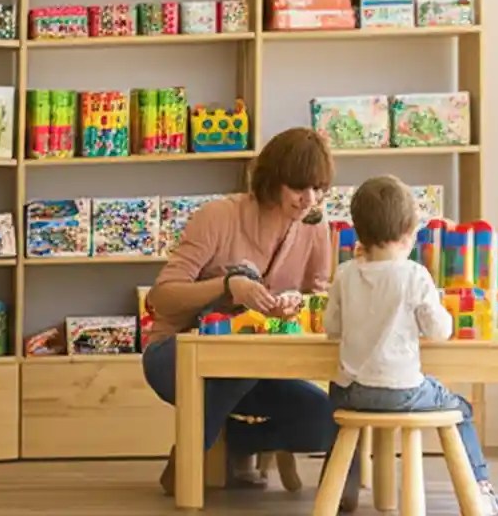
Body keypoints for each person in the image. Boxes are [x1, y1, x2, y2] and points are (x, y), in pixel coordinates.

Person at [142, 127, 361, 510]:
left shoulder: (315, 228)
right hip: (175, 354)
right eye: (298, 188)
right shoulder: (219, 216)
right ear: (273, 180)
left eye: (319, 189)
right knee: (236, 358)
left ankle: (233, 440)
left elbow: (320, 298)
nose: (309, 200)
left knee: (327, 421)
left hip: (264, 365)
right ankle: (189, 457)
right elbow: (163, 298)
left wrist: (302, 303)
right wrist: (227, 286)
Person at [325, 175, 498, 516]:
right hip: (402, 391)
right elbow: (439, 331)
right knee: (461, 408)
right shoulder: (415, 275)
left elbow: (331, 329)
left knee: (338, 413)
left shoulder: (345, 274)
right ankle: (481, 490)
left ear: (358, 231)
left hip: (352, 393)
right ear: (410, 232)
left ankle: (336, 493)